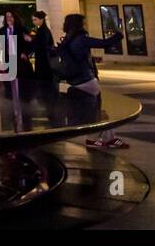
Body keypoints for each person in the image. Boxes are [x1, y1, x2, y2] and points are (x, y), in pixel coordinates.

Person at [55, 13, 127, 150]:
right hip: (87, 81)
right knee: (101, 111)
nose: (86, 25)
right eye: (84, 22)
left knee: (95, 112)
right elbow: (105, 43)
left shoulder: (67, 39)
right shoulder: (81, 39)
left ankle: (97, 138)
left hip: (74, 81)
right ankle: (107, 139)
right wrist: (119, 34)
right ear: (78, 24)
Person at [0, 10, 29, 77]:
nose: (9, 18)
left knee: (20, 81)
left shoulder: (21, 29)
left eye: (11, 16)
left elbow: (27, 44)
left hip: (19, 60)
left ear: (15, 18)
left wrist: (24, 53)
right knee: (9, 82)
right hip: (7, 60)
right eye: (7, 16)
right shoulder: (2, 30)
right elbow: (0, 46)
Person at [27, 10, 55, 84]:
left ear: (42, 19)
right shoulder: (37, 29)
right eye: (33, 20)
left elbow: (42, 45)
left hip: (44, 60)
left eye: (35, 19)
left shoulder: (44, 31)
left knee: (44, 82)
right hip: (39, 59)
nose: (34, 22)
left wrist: (31, 40)